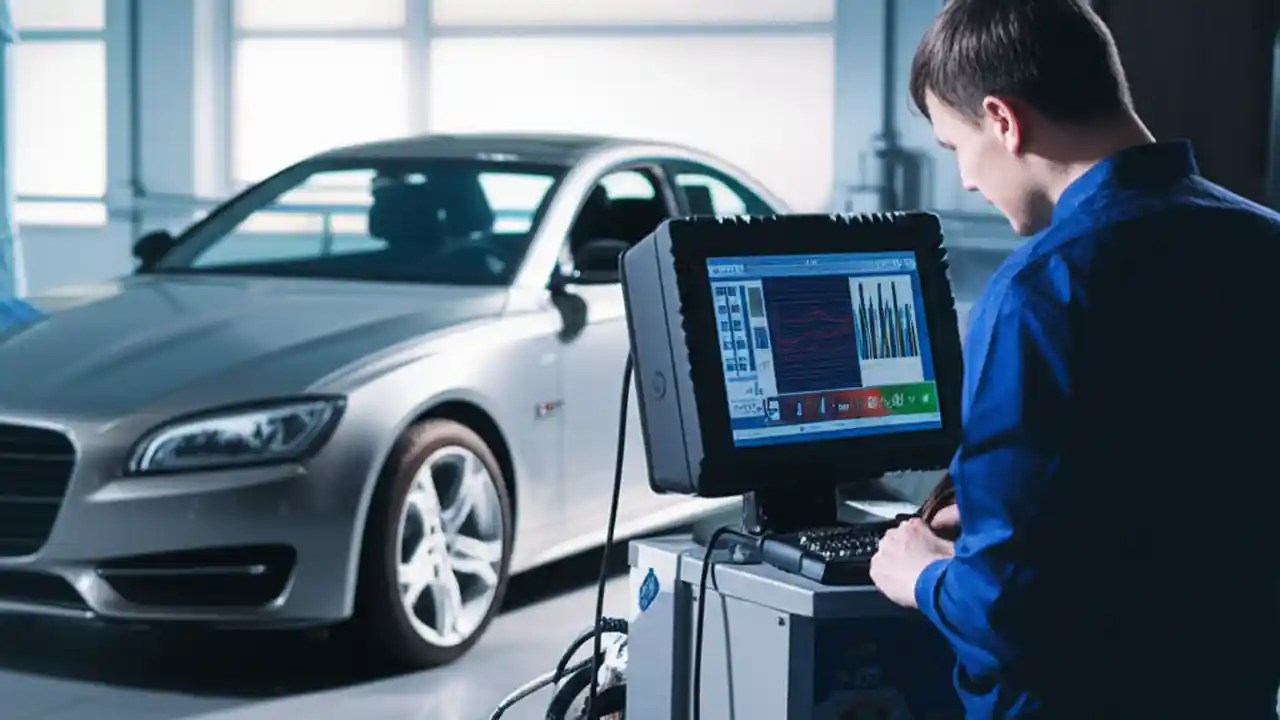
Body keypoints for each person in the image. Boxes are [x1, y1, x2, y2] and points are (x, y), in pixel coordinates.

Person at [867, 0, 1280, 717]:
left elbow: (1009, 615)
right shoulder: (1264, 243)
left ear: (1003, 119)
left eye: (954, 145)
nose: (965, 179)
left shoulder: (1043, 290)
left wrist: (922, 574)